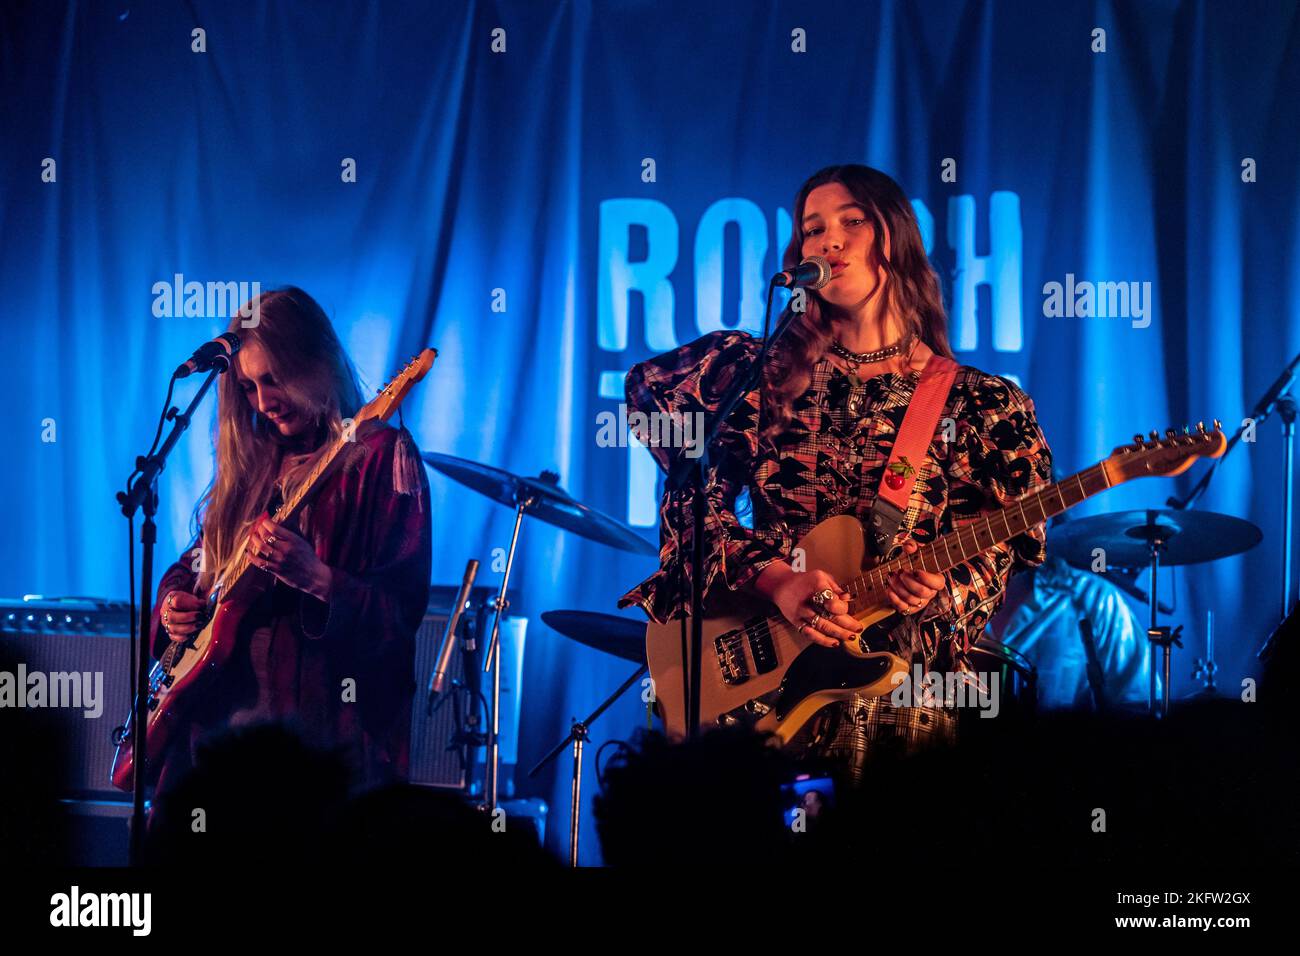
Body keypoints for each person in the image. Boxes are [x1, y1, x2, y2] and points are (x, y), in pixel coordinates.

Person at [619, 164, 1053, 782]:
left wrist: (942, 589)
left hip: (905, 702)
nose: (828, 240)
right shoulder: (758, 374)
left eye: (852, 221)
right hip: (762, 691)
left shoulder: (978, 405)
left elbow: (1003, 552)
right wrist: (775, 580)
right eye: (812, 228)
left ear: (894, 239)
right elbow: (691, 501)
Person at [151, 287, 432, 795]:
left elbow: (401, 615)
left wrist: (320, 581)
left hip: (318, 759)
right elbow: (195, 562)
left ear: (316, 361)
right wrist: (173, 602)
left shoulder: (380, 456)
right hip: (214, 751)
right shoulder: (252, 463)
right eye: (248, 386)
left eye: (273, 379)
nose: (263, 402)